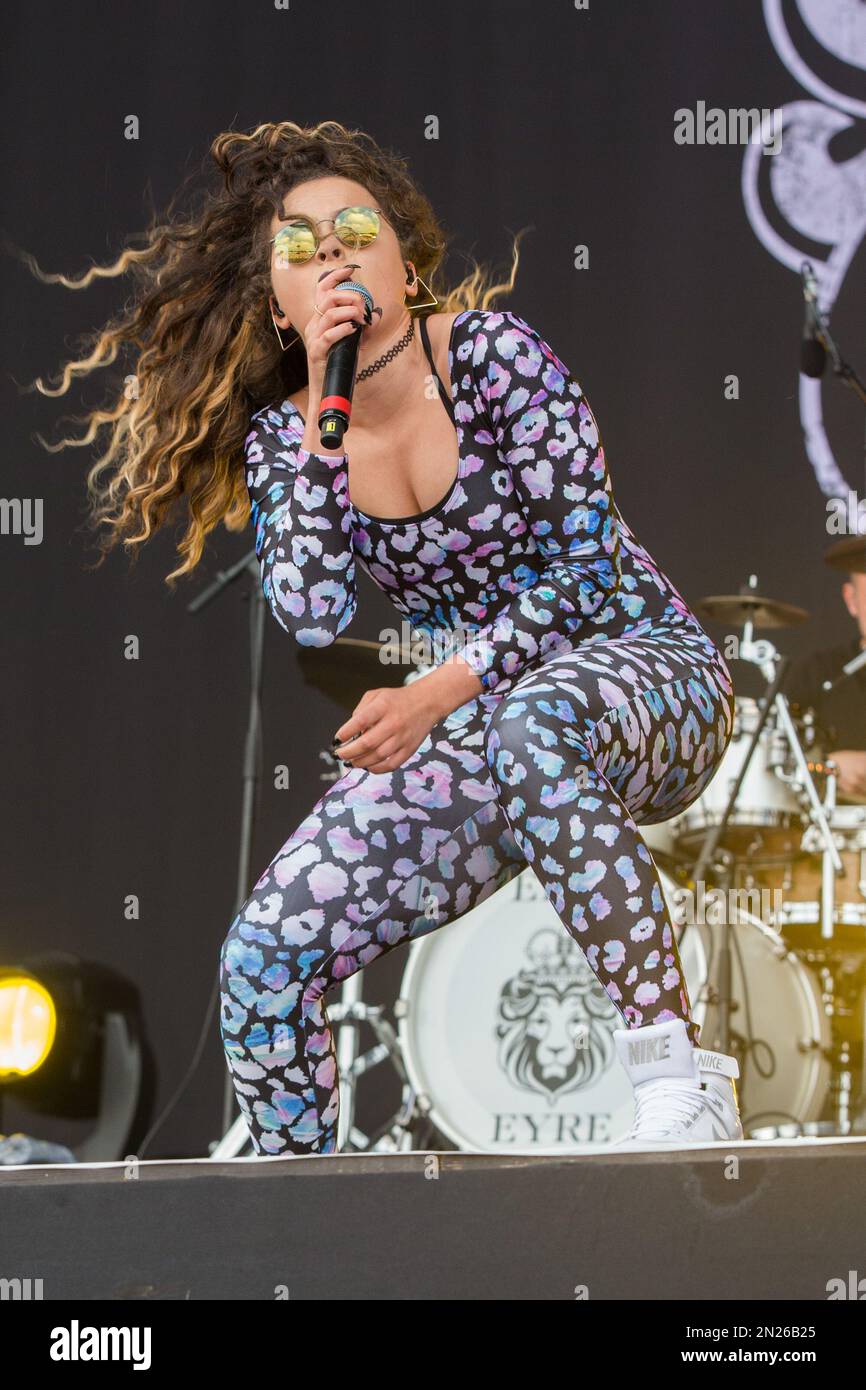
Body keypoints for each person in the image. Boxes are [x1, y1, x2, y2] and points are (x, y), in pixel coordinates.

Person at [28, 119, 744, 1154]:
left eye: (354, 232)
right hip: (490, 727)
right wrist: (322, 417)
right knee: (265, 955)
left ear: (402, 260)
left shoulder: (494, 358)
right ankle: (301, 1231)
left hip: (648, 676)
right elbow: (313, 611)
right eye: (301, 251)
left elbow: (587, 568)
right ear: (277, 304)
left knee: (534, 723)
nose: (334, 260)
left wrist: (438, 690)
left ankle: (680, 1078)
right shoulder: (289, 438)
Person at [783, 535, 866, 800]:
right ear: (851, 599)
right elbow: (776, 761)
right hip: (827, 835)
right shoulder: (815, 675)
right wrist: (826, 768)